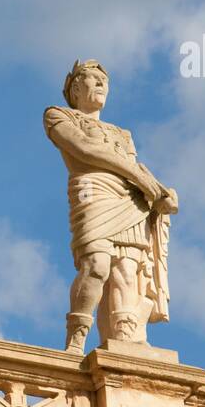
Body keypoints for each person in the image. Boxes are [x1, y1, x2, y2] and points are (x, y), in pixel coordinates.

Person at [44, 59, 177, 354]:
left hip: (129, 200)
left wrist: (160, 191)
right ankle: (76, 339)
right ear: (76, 87)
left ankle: (125, 342)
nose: (102, 84)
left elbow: (134, 165)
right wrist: (139, 177)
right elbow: (84, 149)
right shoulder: (58, 115)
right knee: (96, 265)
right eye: (93, 78)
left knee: (127, 272)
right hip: (93, 194)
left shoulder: (122, 133)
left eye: (105, 81)